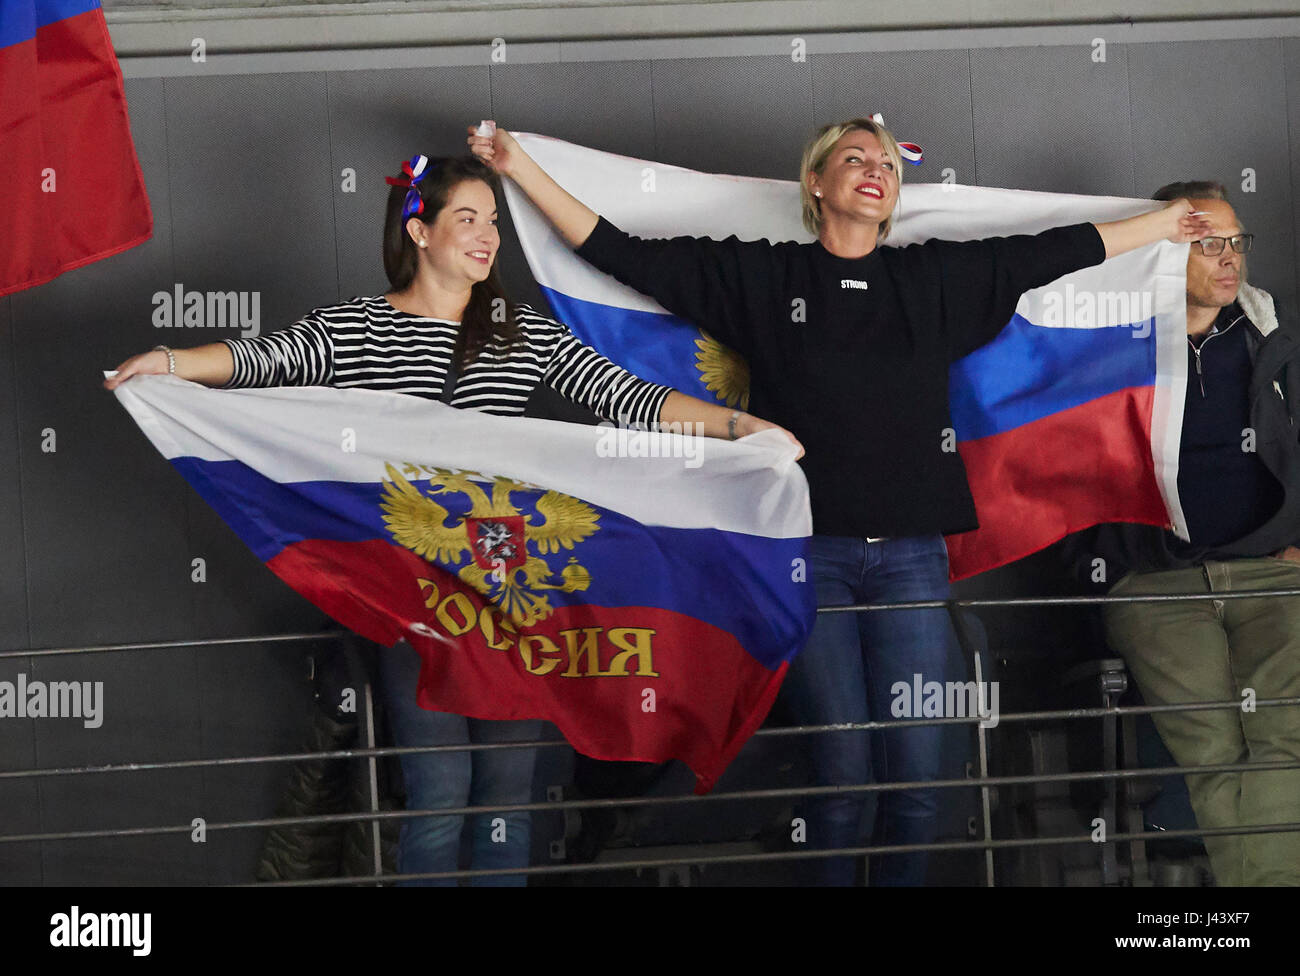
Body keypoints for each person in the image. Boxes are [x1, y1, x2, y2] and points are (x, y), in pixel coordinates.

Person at [470, 118, 1213, 885]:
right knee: (843, 775)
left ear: (894, 195)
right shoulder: (765, 280)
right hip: (808, 560)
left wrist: (1164, 223)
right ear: (817, 185)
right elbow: (614, 250)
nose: (873, 169)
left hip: (913, 562)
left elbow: (1063, 248)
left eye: (886, 162)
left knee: (919, 779)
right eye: (853, 158)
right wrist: (517, 166)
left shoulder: (933, 279)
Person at [104, 153, 799, 886]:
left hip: (515, 593)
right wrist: (169, 363)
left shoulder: (519, 330)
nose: (487, 235)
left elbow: (628, 399)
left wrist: (739, 429)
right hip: (418, 593)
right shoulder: (359, 328)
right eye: (467, 218)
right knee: (440, 791)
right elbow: (257, 359)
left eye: (493, 221)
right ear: (420, 230)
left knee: (507, 793)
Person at [1090, 181, 1300, 886]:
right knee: (1211, 747)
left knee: (1286, 738)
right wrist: (1113, 561)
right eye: (1206, 242)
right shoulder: (1111, 343)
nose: (1228, 257)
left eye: (1235, 241)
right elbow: (1059, 463)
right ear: (1159, 248)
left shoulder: (1275, 337)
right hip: (1159, 582)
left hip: (1276, 570)